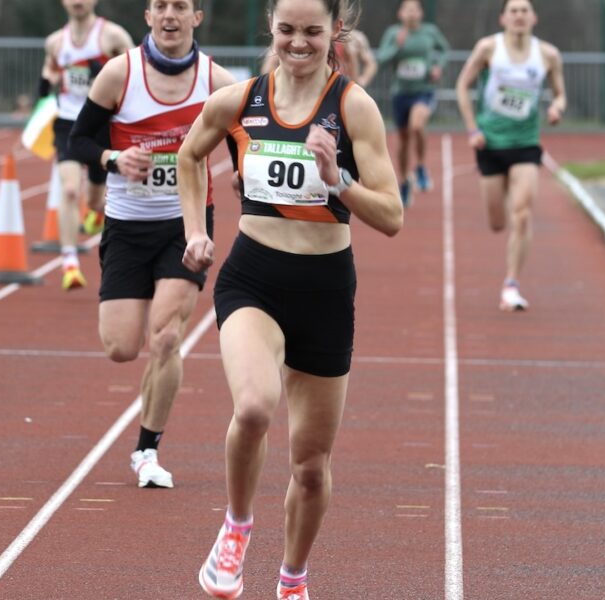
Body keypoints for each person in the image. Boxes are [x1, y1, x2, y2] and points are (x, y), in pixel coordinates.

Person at [177, 0, 402, 597]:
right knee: (253, 407)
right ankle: (236, 526)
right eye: (286, 31)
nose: (298, 43)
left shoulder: (354, 107)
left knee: (309, 466)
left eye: (311, 31)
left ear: (335, 32)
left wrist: (340, 181)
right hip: (254, 276)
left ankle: (293, 579)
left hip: (326, 289)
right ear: (271, 30)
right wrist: (195, 230)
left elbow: (393, 216)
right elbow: (189, 154)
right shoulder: (239, 101)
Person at [68, 0, 235, 488]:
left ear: (196, 17)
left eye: (180, 6)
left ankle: (146, 449)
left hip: (184, 225)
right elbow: (78, 140)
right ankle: (145, 430)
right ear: (147, 15)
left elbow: (240, 139)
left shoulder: (216, 82)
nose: (170, 15)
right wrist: (113, 158)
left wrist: (244, 176)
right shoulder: (119, 75)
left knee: (165, 337)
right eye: (161, 5)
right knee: (121, 347)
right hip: (125, 223)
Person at [455, 0, 566, 312]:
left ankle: (511, 283)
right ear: (504, 17)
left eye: (524, 10)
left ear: (534, 17)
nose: (519, 16)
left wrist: (557, 107)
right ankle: (505, 221)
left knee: (523, 213)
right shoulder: (488, 48)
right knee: (497, 222)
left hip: (526, 143)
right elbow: (462, 86)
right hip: (489, 143)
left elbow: (560, 92)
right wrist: (472, 129)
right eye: (513, 11)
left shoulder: (547, 54)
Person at [40, 0, 133, 291]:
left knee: (95, 199)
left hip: (99, 123)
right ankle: (69, 263)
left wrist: (103, 71)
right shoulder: (55, 42)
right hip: (67, 122)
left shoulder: (112, 36)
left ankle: (94, 211)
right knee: (69, 190)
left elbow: (136, 71)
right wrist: (44, 86)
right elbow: (51, 72)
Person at [376, 0, 451, 207]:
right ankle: (405, 180)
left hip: (424, 90)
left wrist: (438, 67)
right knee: (403, 142)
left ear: (420, 14)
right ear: (400, 14)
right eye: (406, 10)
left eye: (414, 10)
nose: (410, 14)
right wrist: (396, 46)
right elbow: (381, 58)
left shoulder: (430, 32)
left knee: (417, 125)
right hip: (401, 93)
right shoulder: (393, 33)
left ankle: (420, 167)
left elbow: (444, 50)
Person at [260, 27, 377, 88]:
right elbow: (268, 68)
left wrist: (363, 80)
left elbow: (371, 64)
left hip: (341, 92)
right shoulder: (298, 37)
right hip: (309, 93)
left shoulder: (354, 38)